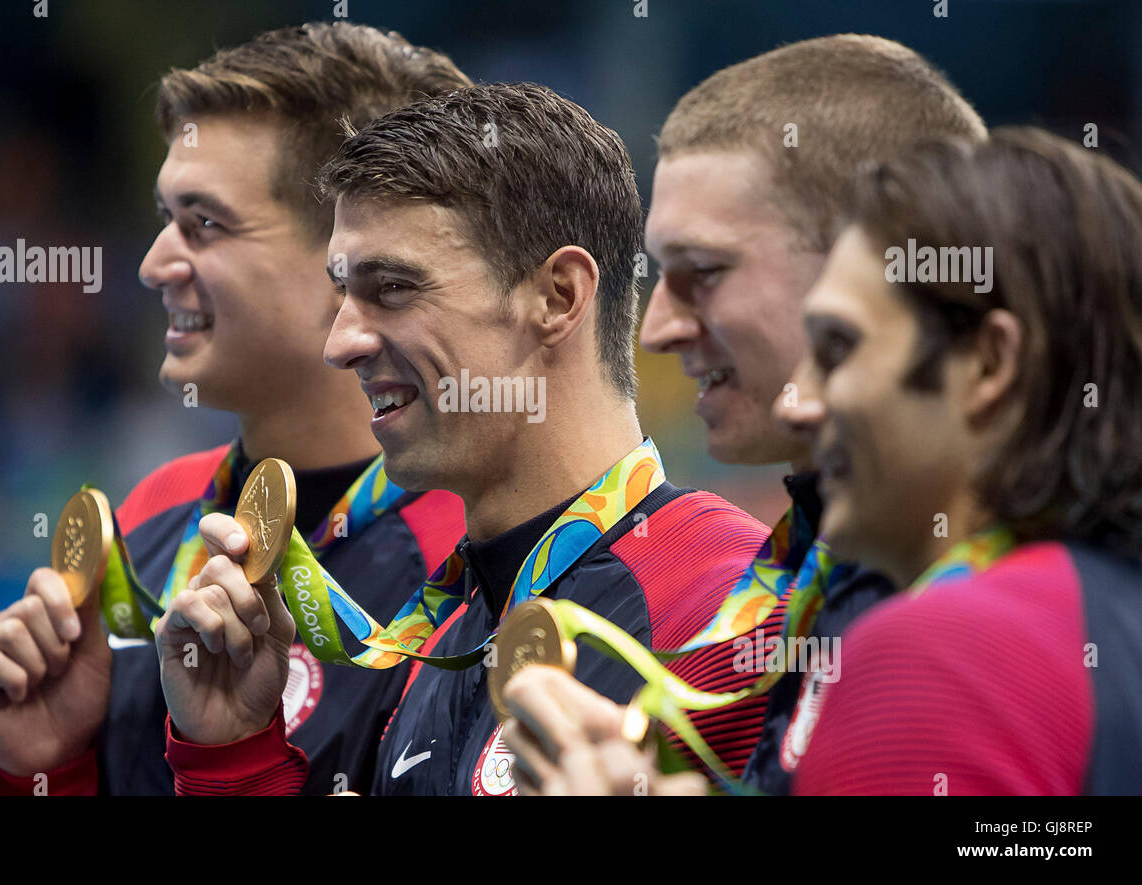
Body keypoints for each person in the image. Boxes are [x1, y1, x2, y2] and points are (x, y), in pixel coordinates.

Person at [151, 82, 776, 796]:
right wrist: (234, 755)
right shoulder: (439, 645)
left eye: (392, 288)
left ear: (558, 297)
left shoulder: (730, 611)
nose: (341, 342)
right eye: (342, 293)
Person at [507, 127, 1142, 796]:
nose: (798, 404)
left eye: (838, 349)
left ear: (988, 364)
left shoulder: (937, 653)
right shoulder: (1104, 619)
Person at [0, 22, 471, 797]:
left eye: (203, 224)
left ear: (352, 254)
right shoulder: (154, 516)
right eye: (165, 219)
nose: (154, 262)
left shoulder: (475, 552)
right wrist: (39, 771)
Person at [504, 34, 986, 794]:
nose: (658, 328)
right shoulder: (821, 568)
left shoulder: (979, 603)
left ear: (870, 264)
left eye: (705, 273)